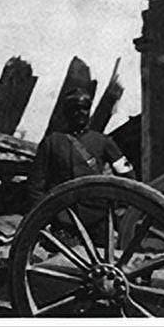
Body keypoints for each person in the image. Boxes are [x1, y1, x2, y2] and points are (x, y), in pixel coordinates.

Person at [27, 88, 135, 245]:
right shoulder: (52, 142)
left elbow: (127, 174)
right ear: (66, 113)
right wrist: (44, 216)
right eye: (74, 109)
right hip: (63, 218)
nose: (80, 113)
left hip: (98, 217)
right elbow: (36, 183)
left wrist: (122, 208)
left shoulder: (102, 142)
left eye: (84, 109)